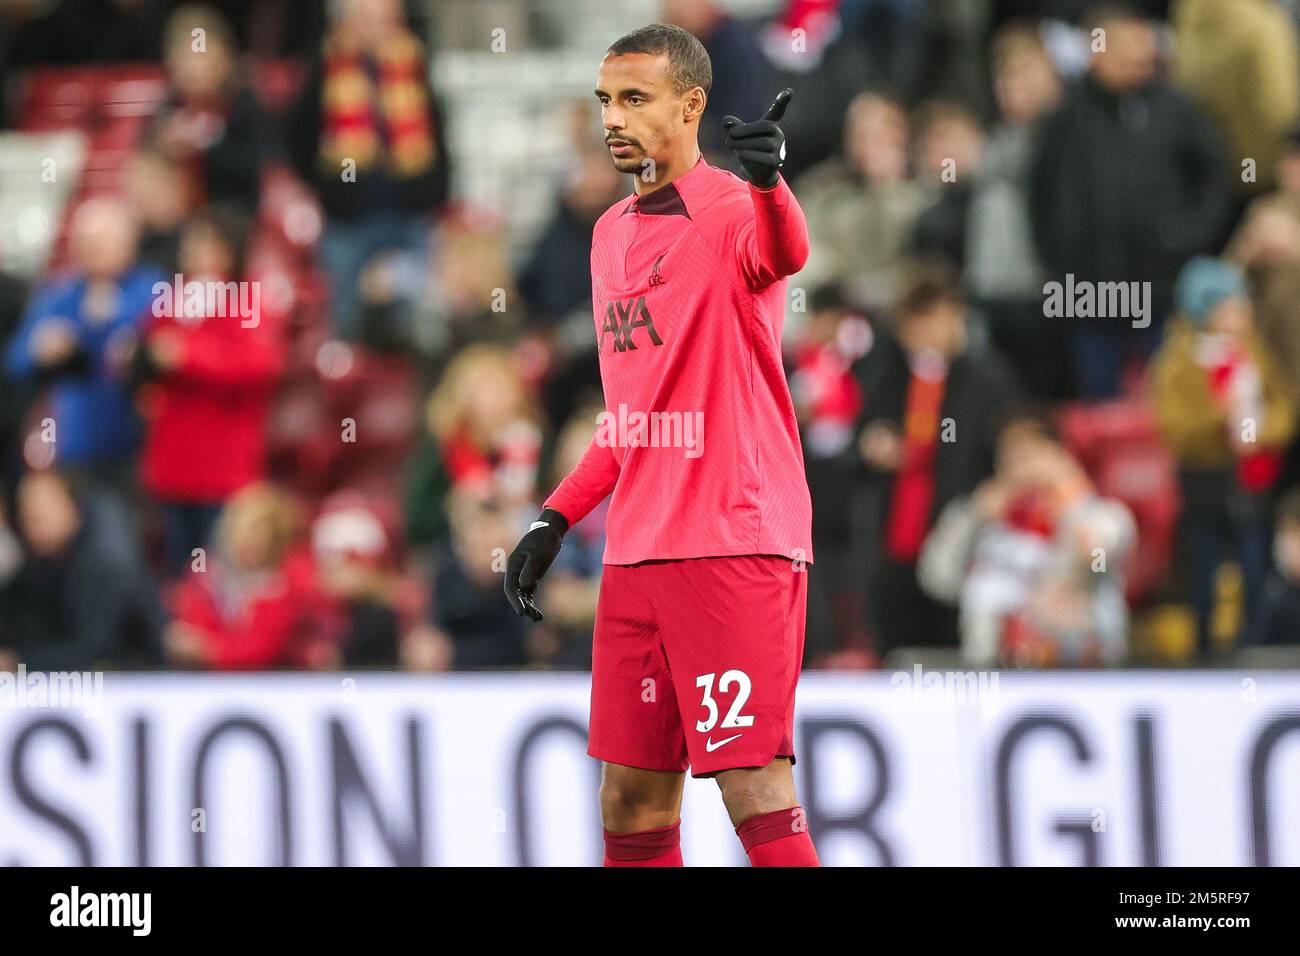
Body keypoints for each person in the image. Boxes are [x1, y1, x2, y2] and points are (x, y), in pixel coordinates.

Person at [502, 25, 819, 867]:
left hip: (733, 539)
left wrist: (770, 182)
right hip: (639, 552)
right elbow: (629, 415)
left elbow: (786, 251)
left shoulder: (733, 210)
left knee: (753, 785)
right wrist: (554, 517)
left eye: (635, 99)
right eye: (606, 100)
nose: (614, 118)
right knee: (632, 797)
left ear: (691, 106)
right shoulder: (608, 234)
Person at [1030, 3, 1231, 399]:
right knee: (1101, 405)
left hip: (1161, 290)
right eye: (1125, 44)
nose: (1139, 55)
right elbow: (1040, 200)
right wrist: (1059, 261)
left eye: (1142, 43)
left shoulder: (1175, 109)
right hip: (1087, 293)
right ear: (1096, 47)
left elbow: (1215, 177)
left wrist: (1187, 237)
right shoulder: (1064, 121)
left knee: (1170, 401)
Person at [855, 263, 1022, 659]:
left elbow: (1013, 443)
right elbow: (858, 438)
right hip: (892, 540)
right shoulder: (885, 377)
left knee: (953, 653)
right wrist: (871, 445)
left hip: (958, 542)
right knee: (894, 649)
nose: (932, 331)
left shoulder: (987, 380)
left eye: (943, 317)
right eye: (922, 320)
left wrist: (998, 489)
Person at [1152, 257, 1297, 657]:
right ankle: (1204, 648)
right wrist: (1219, 417)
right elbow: (1174, 426)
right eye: (1231, 307)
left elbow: (1282, 406)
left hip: (1250, 477)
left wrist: (1263, 435)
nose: (1241, 316)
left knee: (1254, 563)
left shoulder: (1254, 355)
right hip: (1204, 480)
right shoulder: (1180, 361)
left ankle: (1251, 644)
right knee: (1206, 568)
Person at [918, 414, 1137, 668]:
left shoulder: (1104, 515)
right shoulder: (985, 523)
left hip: (1079, 669)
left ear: (1062, 458)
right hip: (992, 670)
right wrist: (972, 519)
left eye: (1032, 457)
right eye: (1012, 459)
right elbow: (937, 579)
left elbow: (1098, 559)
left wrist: (1071, 503)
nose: (1024, 470)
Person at [133, 208, 284, 574]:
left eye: (206, 243)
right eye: (192, 243)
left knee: (221, 570)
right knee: (177, 568)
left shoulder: (246, 300)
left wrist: (186, 356)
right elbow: (144, 356)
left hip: (223, 466)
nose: (195, 251)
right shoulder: (171, 301)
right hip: (173, 462)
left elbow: (257, 365)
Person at [288, 0, 450, 340]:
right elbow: (299, 138)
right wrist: (332, 191)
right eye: (368, 20)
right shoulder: (327, 65)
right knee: (344, 321)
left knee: (418, 319)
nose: (378, 29)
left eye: (386, 20)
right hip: (348, 222)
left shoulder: (414, 62)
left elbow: (438, 136)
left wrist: (429, 193)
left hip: (409, 217)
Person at [4, 198, 162, 487]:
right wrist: (41, 349)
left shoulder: (152, 290)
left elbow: (157, 354)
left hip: (139, 442)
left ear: (127, 244)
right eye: (86, 242)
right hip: (74, 446)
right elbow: (17, 360)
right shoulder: (60, 293)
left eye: (101, 242)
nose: (93, 251)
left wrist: (112, 325)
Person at [0, 469, 163, 672]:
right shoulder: (36, 562)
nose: (32, 523)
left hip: (132, 681)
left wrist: (19, 660)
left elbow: (94, 649)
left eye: (41, 513)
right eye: (26, 513)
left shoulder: (106, 564)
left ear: (73, 508)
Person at [1252, 486, 1300, 646]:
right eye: (1283, 532)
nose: (1288, 543)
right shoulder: (1274, 592)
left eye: (1295, 533)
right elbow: (1256, 648)